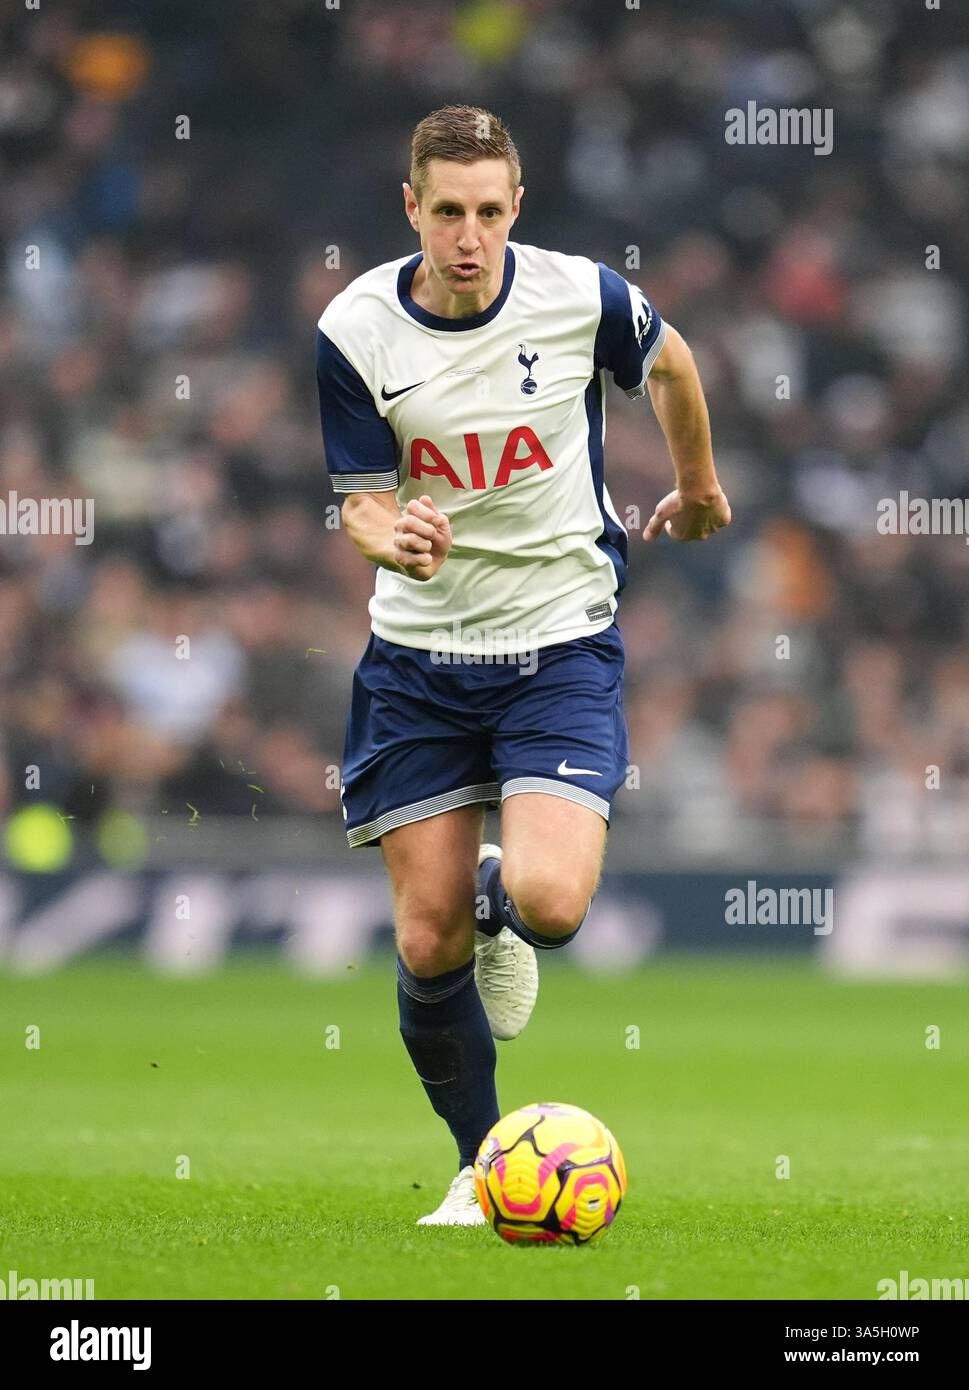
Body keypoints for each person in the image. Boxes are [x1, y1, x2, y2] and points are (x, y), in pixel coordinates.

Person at [315, 104, 730, 1225]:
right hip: (418, 657)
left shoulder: (579, 295)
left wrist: (695, 487)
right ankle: (478, 1159)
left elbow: (675, 363)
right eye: (446, 211)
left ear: (517, 208)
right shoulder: (356, 329)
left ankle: (507, 895)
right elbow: (355, 495)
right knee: (423, 936)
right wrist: (385, 531)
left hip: (558, 642)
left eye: (489, 212)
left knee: (550, 903)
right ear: (411, 208)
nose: (468, 236)